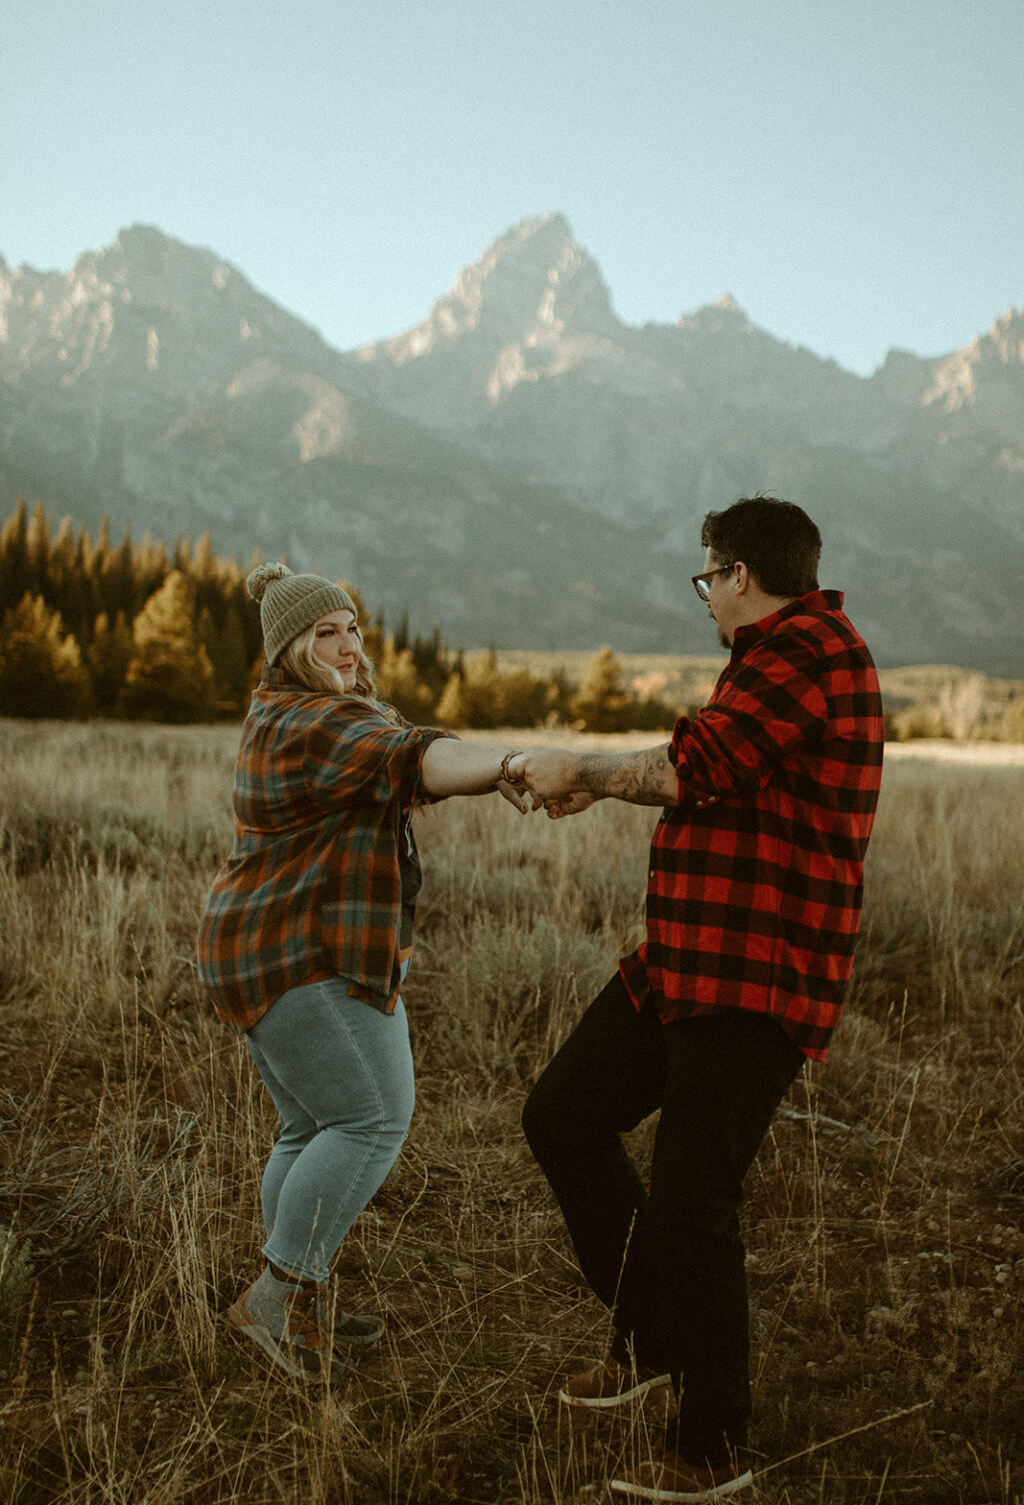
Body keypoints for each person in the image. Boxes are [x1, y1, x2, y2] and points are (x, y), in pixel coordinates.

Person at [508, 496, 884, 1504]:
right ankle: (651, 1342)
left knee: (691, 1202)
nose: (705, 597)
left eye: (706, 578)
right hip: (687, 961)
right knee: (564, 1116)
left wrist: (583, 766)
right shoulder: (774, 654)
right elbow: (713, 766)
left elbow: (702, 762)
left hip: (756, 969)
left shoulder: (808, 648)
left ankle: (711, 1447)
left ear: (737, 574)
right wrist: (609, 784)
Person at [197, 563, 527, 1382]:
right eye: (324, 634)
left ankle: (296, 1307)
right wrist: (517, 761)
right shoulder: (312, 722)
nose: (347, 645)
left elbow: (395, 755)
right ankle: (275, 1300)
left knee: (310, 1127)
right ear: (288, 650)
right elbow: (411, 756)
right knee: (371, 1120)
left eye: (351, 628)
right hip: (302, 953)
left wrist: (487, 770)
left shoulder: (302, 715)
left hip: (257, 946)